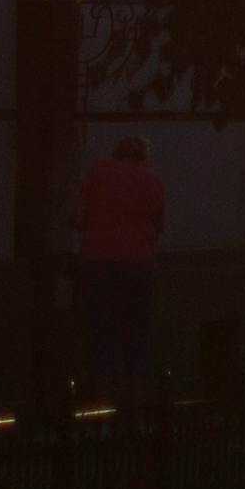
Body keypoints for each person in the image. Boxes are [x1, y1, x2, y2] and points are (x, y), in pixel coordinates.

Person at [73, 132, 167, 399]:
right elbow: (158, 225)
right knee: (137, 331)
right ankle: (136, 397)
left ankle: (103, 395)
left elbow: (80, 218)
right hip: (139, 266)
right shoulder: (153, 181)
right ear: (143, 158)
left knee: (101, 329)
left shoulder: (98, 172)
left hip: (99, 262)